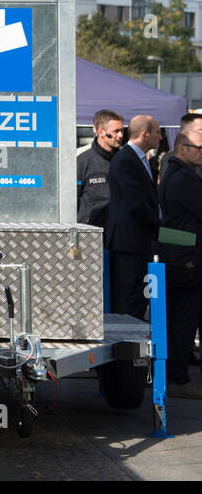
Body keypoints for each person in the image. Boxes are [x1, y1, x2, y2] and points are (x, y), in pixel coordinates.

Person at [105, 115, 163, 320]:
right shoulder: (126, 160)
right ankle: (128, 346)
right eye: (157, 132)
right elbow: (135, 202)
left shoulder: (139, 159)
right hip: (129, 243)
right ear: (145, 134)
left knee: (138, 297)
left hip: (138, 242)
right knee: (130, 300)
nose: (161, 137)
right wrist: (159, 225)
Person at [159, 126, 202, 397]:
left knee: (177, 320)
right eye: (199, 148)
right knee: (183, 322)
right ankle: (178, 379)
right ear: (183, 148)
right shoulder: (183, 177)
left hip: (177, 256)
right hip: (187, 262)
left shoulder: (171, 172)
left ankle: (176, 374)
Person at [77, 109, 124, 234]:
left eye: (122, 131)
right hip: (90, 234)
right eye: (116, 131)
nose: (120, 135)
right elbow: (72, 200)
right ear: (101, 132)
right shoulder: (82, 161)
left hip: (118, 233)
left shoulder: (124, 161)